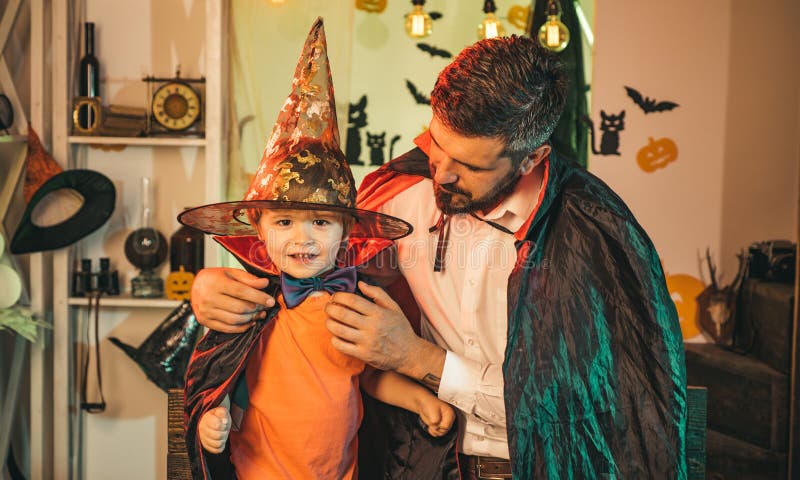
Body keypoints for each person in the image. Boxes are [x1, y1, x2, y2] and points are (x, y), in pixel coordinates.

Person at [192, 34, 687, 479]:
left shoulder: (590, 238)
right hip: (416, 464)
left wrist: (416, 358)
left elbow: (590, 408)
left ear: (532, 158)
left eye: (468, 165)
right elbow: (298, 266)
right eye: (436, 144)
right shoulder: (395, 199)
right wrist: (209, 290)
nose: (441, 175)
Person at [180, 19, 454, 480]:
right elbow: (220, 370)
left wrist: (419, 398)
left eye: (320, 223)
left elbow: (367, 374)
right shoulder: (254, 303)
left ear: (347, 231)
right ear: (258, 229)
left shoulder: (356, 303)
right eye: (284, 222)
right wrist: (212, 414)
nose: (302, 238)